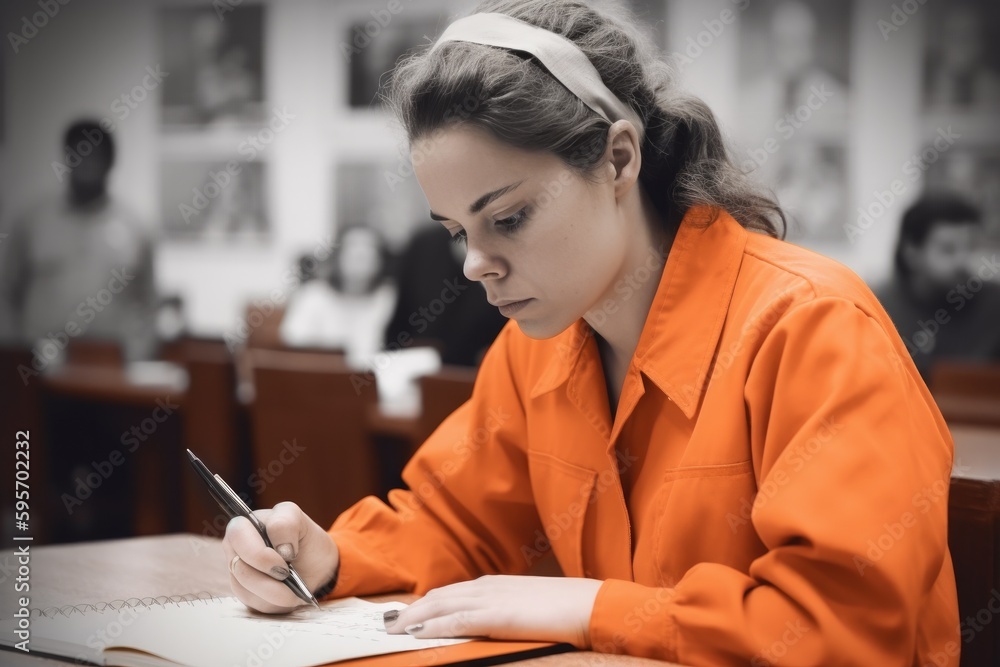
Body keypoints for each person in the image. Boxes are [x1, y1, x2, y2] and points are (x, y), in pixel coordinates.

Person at [224, 2, 959, 664]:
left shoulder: (814, 327)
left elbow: (847, 629)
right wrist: (330, 558)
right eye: (457, 231)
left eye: (508, 217)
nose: (475, 264)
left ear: (619, 159)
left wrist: (591, 608)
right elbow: (453, 521)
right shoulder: (533, 348)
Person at [0, 119, 158, 364]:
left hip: (112, 364)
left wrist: (139, 354)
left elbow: (148, 301)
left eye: (96, 155)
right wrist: (19, 352)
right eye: (80, 153)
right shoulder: (33, 222)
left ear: (111, 162)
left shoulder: (135, 228)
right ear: (67, 158)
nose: (87, 163)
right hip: (41, 365)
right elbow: (8, 293)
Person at [875, 194, 1000, 382]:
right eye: (948, 249)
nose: (962, 260)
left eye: (971, 247)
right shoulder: (879, 309)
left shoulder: (994, 306)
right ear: (912, 252)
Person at [384, 223, 507, 366]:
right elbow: (400, 322)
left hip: (489, 365)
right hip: (425, 369)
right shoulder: (424, 244)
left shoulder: (500, 237)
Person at [279, 224, 396, 366]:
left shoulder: (388, 297)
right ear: (337, 256)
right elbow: (293, 344)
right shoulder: (313, 295)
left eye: (370, 247)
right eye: (353, 246)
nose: (361, 253)